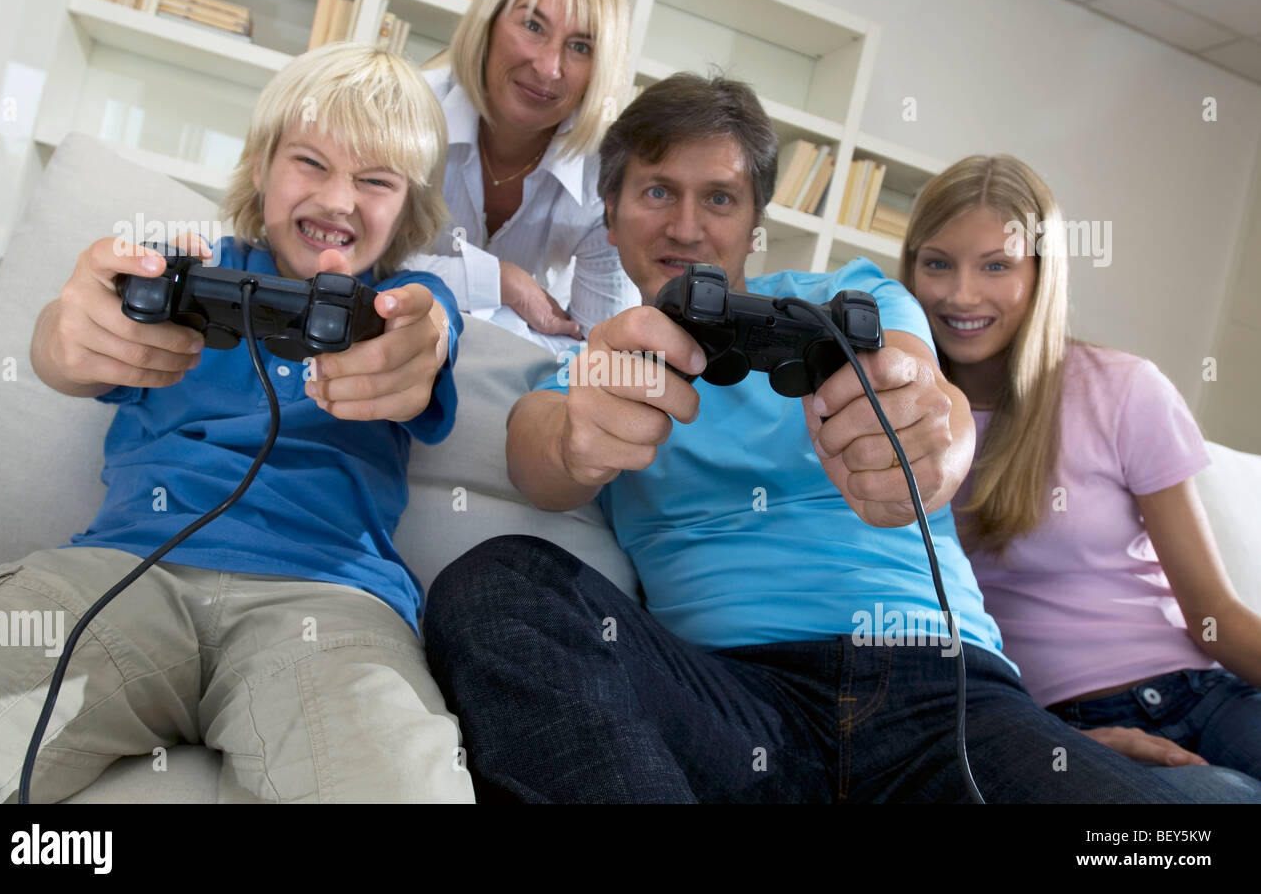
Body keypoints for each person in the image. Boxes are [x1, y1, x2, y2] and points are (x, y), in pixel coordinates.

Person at [419, 73, 1194, 803]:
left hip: (945, 695)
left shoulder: (849, 297)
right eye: (658, 191)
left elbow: (932, 397)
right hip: (734, 706)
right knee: (492, 582)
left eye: (719, 197)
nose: (686, 226)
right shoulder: (602, 358)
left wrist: (933, 448)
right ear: (611, 213)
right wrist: (574, 441)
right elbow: (539, 451)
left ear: (755, 224)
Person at [0, 43, 474, 803]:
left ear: (410, 207)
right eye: (310, 161)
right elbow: (68, 341)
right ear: (262, 166)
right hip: (129, 572)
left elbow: (429, 337)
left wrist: (419, 347)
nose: (338, 200)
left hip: (327, 603)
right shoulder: (180, 271)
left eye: (374, 180)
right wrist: (63, 336)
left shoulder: (411, 300)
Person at [902, 154, 1261, 802]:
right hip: (1055, 728)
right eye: (938, 263)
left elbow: (1215, 614)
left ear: (1042, 273)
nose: (960, 294)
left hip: (1196, 690)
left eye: (995, 265)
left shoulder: (1123, 389)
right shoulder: (890, 418)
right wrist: (1037, 737)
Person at [401, 0, 638, 353]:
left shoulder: (608, 173)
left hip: (519, 391)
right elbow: (349, 261)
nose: (549, 67)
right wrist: (500, 282)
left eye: (580, 46)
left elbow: (601, 353)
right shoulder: (407, 110)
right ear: (489, 21)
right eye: (533, 26)